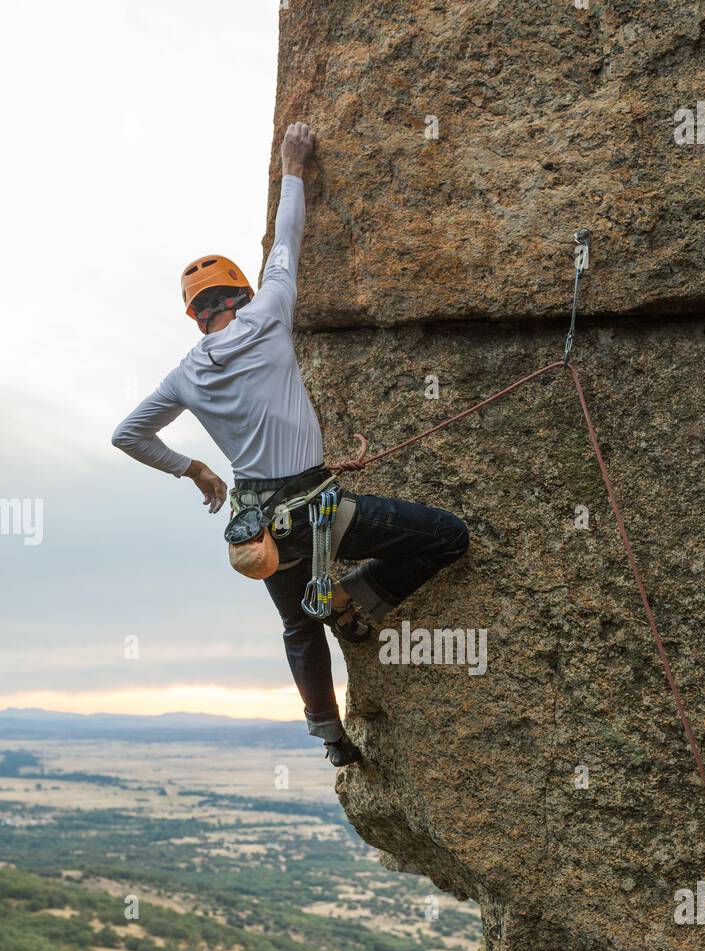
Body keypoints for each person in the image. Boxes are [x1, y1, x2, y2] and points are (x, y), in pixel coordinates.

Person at [111, 122, 469, 766]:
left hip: (259, 528)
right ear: (240, 295)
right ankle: (357, 600)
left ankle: (331, 739)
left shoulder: (185, 374)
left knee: (298, 626)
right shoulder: (270, 311)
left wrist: (193, 468)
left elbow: (127, 434)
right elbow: (288, 237)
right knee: (448, 536)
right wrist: (293, 165)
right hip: (319, 510)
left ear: (194, 313)